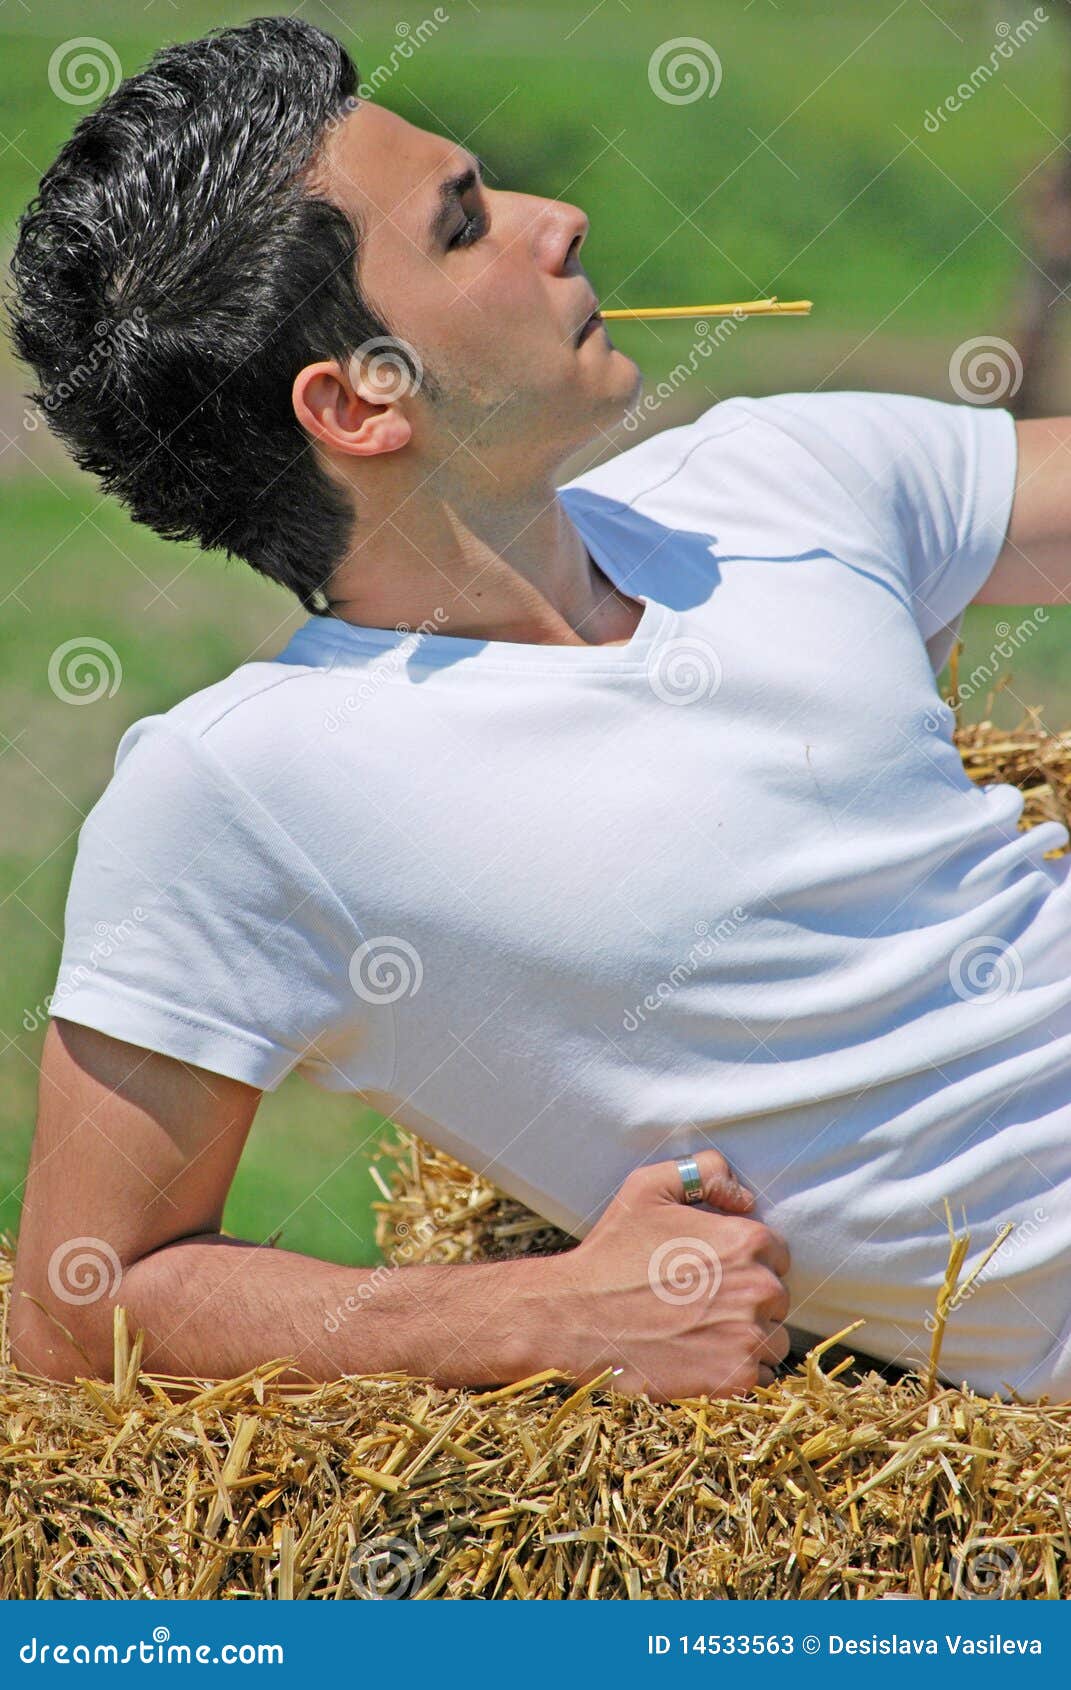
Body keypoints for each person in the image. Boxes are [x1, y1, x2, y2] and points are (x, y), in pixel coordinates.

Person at [6, 18, 1071, 1403]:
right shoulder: (238, 787)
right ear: (360, 404)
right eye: (465, 227)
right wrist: (541, 1314)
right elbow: (80, 1305)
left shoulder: (781, 469)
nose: (558, 220)